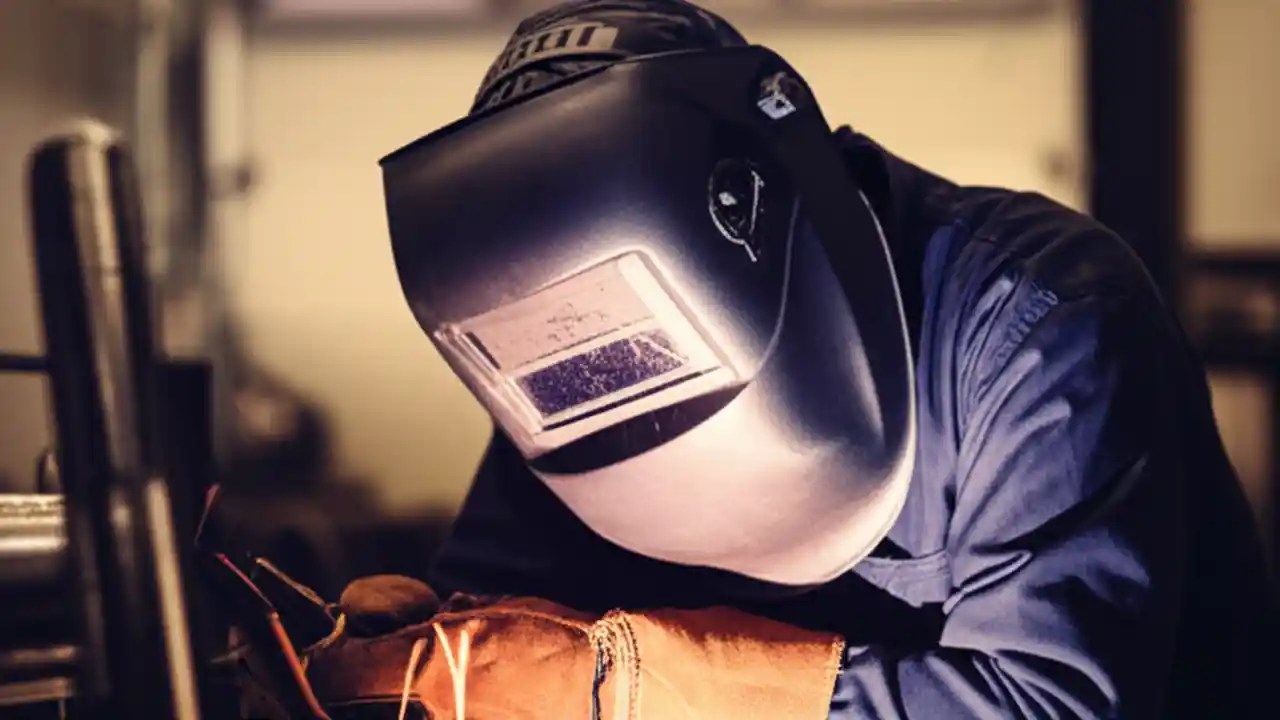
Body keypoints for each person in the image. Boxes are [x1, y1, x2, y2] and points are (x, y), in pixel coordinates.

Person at [302, 1, 1279, 718]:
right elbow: (509, 619)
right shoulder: (577, 351)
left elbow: (1050, 708)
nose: (615, 372)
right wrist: (429, 653)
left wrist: (627, 684)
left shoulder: (1036, 321)